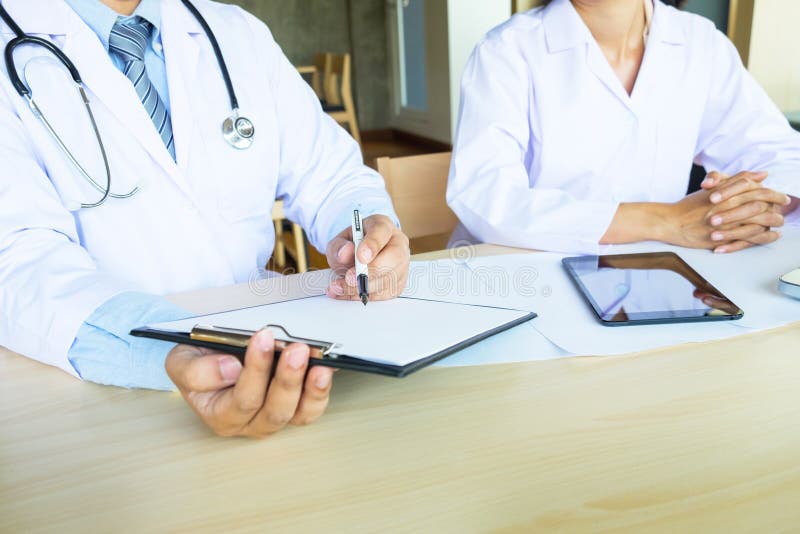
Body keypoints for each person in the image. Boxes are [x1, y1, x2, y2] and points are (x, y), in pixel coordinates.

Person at [0, 0, 410, 438]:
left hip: (271, 361)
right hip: (90, 409)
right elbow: (19, 261)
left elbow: (333, 176)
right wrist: (168, 349)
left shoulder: (236, 32)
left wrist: (366, 231)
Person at [447, 0, 800, 255]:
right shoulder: (506, 50)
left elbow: (779, 154)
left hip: (660, 273)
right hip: (525, 269)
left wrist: (749, 206)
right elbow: (486, 197)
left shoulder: (700, 42)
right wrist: (666, 220)